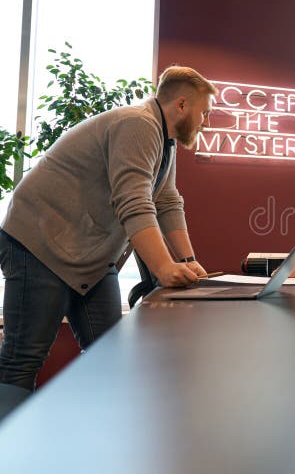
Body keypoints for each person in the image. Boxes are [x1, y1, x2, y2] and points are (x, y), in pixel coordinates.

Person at [0, 66, 216, 391]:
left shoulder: (164, 140)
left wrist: (187, 260)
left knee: (109, 356)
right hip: (39, 245)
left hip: (91, 258)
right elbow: (134, 202)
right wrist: (164, 268)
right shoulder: (138, 124)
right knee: (22, 360)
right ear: (182, 104)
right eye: (205, 112)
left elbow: (167, 201)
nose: (206, 121)